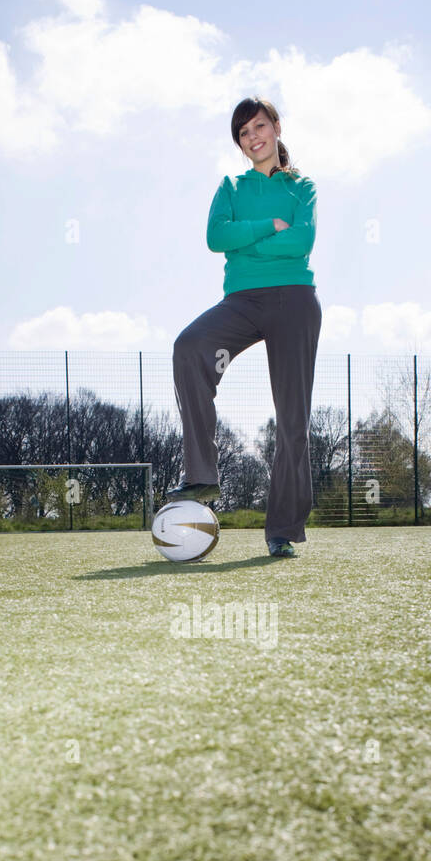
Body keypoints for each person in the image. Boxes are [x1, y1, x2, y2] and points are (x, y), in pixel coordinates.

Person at [166, 97, 322, 558]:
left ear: (276, 127)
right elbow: (217, 237)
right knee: (191, 346)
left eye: (259, 127)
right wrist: (267, 228)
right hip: (243, 301)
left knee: (293, 419)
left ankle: (283, 529)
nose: (253, 138)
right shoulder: (231, 187)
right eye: (243, 133)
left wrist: (249, 240)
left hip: (295, 300)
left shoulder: (302, 187)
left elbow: (303, 239)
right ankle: (202, 475)